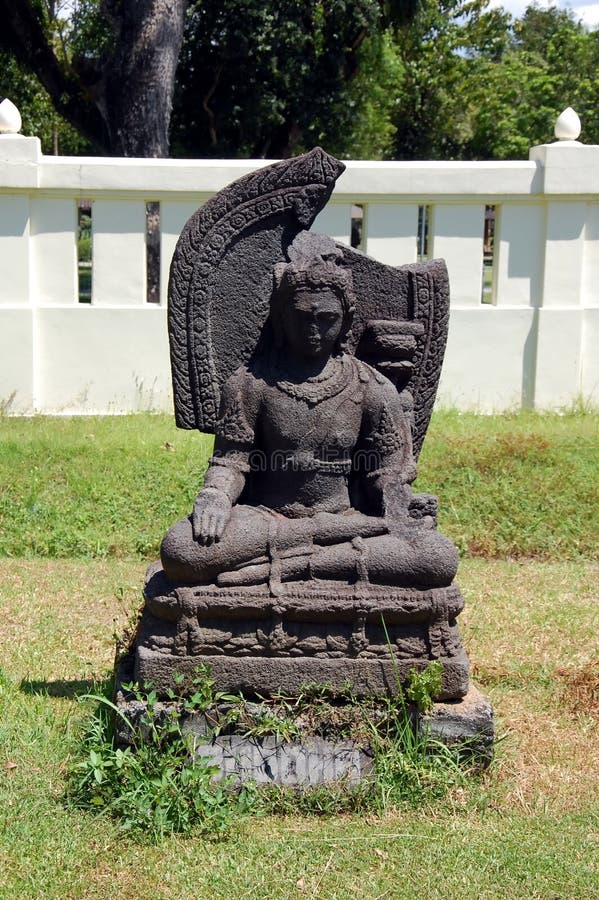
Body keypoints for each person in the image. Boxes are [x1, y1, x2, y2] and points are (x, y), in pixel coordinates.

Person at [161, 236, 457, 591]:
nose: (314, 331)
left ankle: (277, 569)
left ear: (346, 320)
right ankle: (327, 560)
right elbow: (232, 462)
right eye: (302, 318)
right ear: (281, 319)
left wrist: (399, 502)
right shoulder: (251, 384)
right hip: (267, 519)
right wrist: (216, 496)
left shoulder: (372, 387)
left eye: (327, 318)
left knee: (437, 556)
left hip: (345, 517)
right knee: (181, 549)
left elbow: (385, 472)